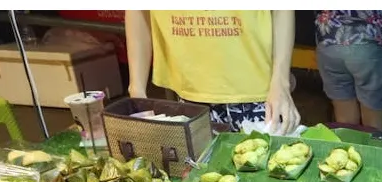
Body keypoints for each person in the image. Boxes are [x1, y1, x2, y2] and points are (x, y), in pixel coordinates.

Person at [125, 10, 300, 133]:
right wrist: (137, 90)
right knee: (202, 177)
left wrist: (281, 81)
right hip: (189, 91)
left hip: (258, 93)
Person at [314, 10, 382, 131]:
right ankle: (371, 147)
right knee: (373, 128)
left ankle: (348, 146)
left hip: (328, 42)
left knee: (345, 124)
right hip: (368, 42)